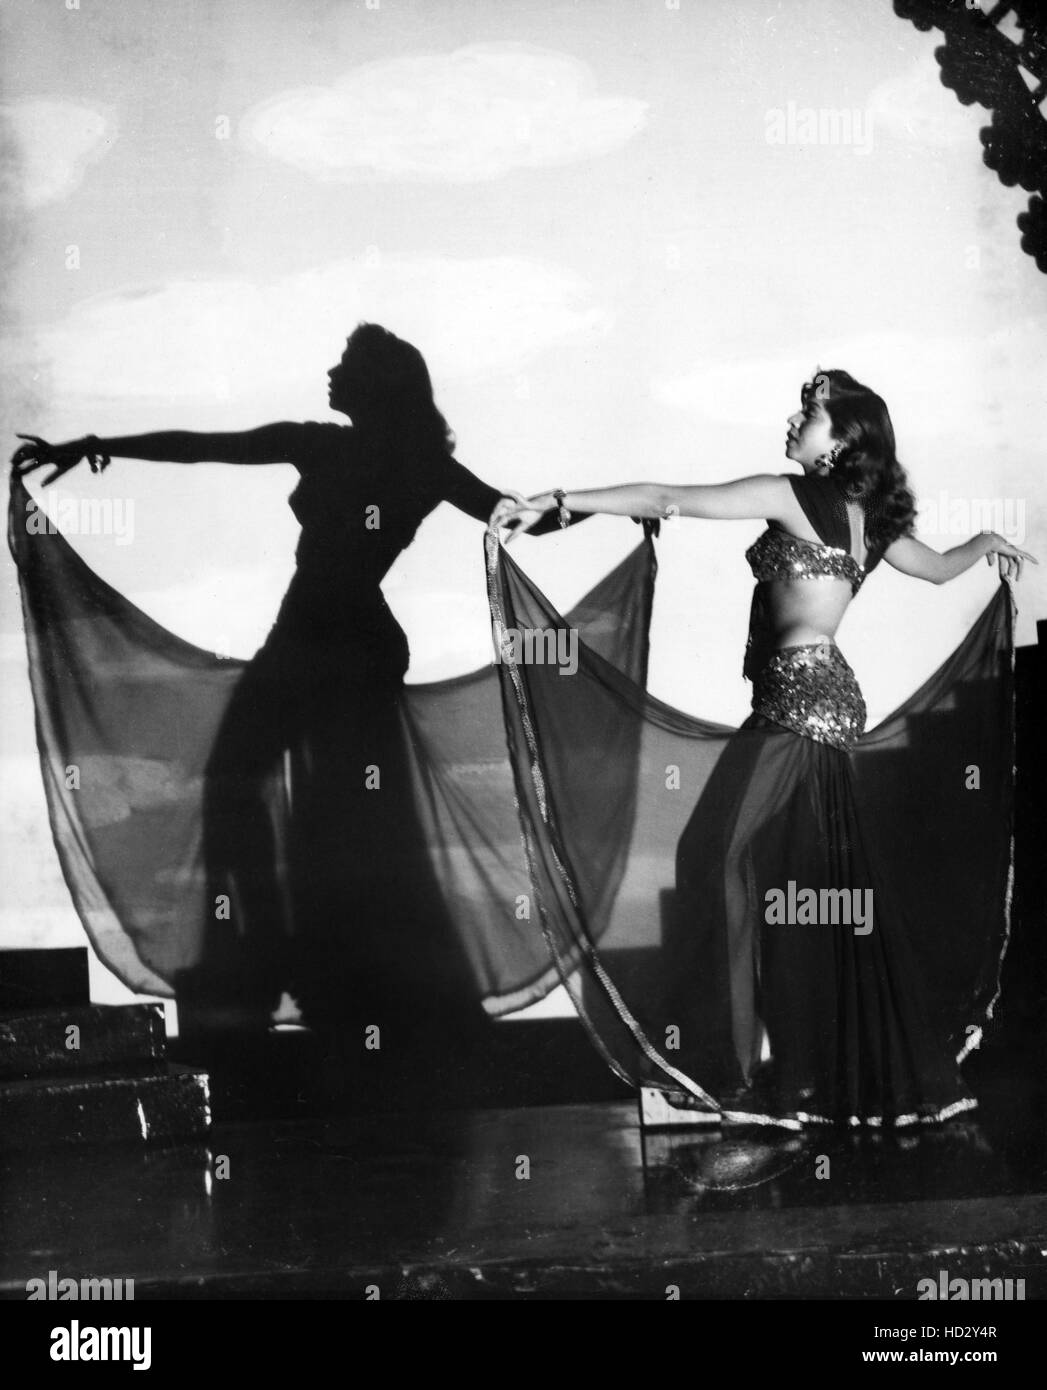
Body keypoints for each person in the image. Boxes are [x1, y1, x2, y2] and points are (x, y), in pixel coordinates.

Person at [10, 322, 587, 1100]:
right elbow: (205, 444)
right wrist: (96, 442)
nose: (329, 371)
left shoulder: (376, 456)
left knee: (321, 803)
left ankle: (303, 961)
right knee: (288, 793)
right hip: (324, 637)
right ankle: (290, 956)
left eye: (344, 364)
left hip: (338, 641)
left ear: (376, 382)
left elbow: (517, 515)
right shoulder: (379, 455)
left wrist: (609, 509)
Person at [490, 369, 1035, 1127]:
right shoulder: (867, 519)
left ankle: (740, 1072)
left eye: (808, 413)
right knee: (795, 884)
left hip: (800, 704)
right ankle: (807, 1074)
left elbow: (664, 497)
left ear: (842, 437)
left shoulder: (792, 494)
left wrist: (559, 500)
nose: (793, 420)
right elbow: (939, 569)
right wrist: (988, 544)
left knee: (714, 857)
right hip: (811, 701)